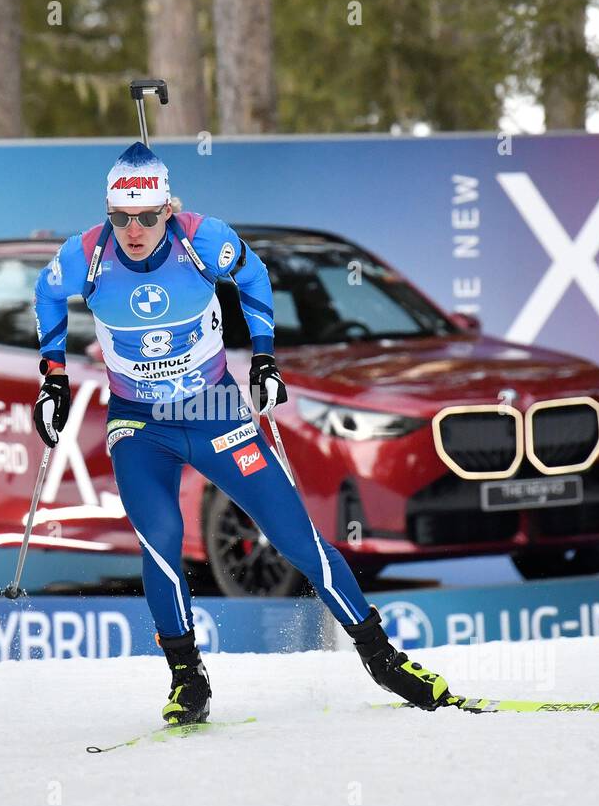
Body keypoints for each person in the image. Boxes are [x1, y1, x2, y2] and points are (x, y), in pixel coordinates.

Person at [32, 142, 451, 724]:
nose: (134, 229)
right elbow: (48, 294)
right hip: (139, 421)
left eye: (147, 217)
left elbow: (254, 276)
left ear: (167, 211)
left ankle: (383, 657)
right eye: (121, 217)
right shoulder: (86, 255)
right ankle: (187, 677)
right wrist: (52, 378)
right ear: (108, 213)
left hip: (215, 411)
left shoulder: (203, 240)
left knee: (295, 537)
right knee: (160, 534)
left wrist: (264, 359)